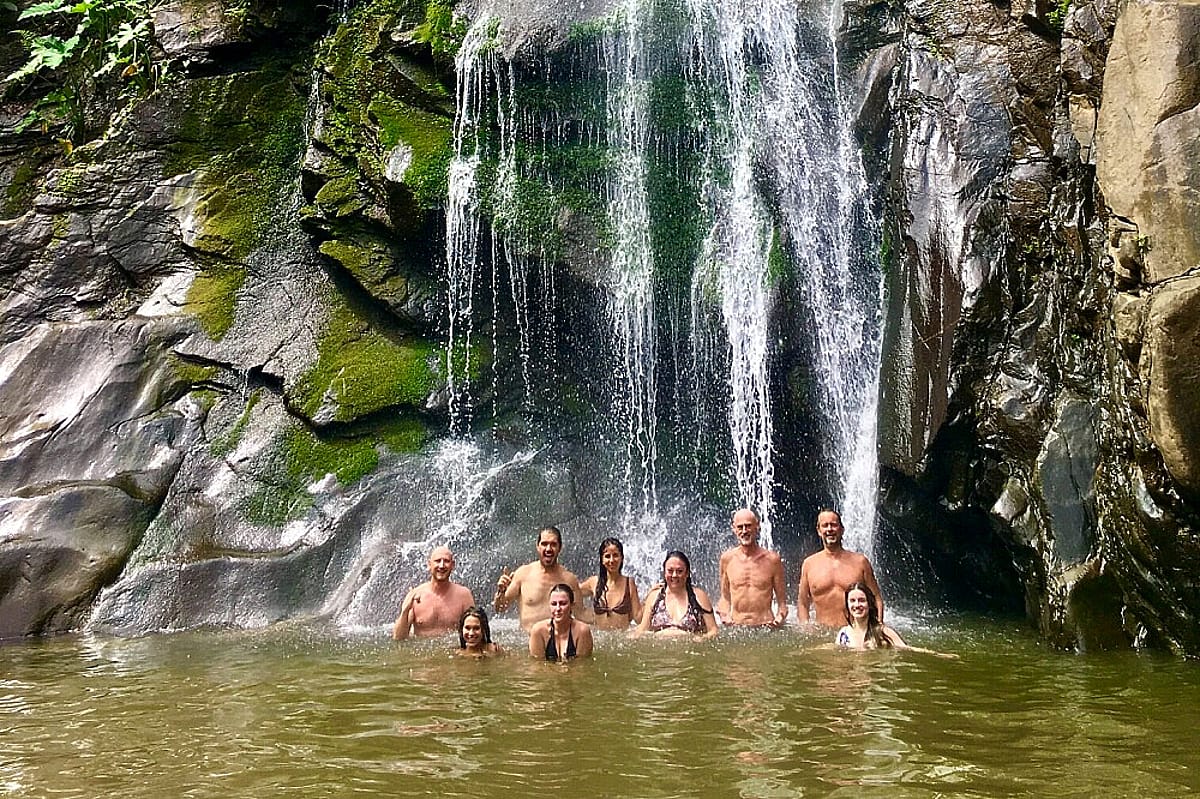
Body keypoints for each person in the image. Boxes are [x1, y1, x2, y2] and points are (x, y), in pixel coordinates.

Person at [797, 509, 884, 627]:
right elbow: (803, 603)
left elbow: (876, 598)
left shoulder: (860, 562)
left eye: (833, 525)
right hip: (823, 632)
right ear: (819, 530)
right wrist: (806, 627)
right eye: (825, 525)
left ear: (841, 529)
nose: (829, 529)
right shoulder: (809, 564)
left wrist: (878, 626)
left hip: (854, 630)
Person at [494, 526, 588, 631]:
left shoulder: (569, 580)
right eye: (544, 544)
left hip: (556, 643)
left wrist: (605, 618)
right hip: (528, 641)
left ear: (560, 548)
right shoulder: (523, 574)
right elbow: (500, 608)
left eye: (553, 544)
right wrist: (501, 592)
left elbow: (581, 615)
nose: (548, 549)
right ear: (537, 547)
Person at [835, 582, 956, 657]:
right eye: (852, 601)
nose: (857, 605)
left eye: (862, 600)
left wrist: (938, 655)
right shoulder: (843, 634)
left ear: (870, 604)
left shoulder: (883, 632)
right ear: (847, 605)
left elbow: (907, 649)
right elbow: (836, 652)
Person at [717, 508, 788, 627]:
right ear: (734, 529)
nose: (744, 531)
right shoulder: (727, 559)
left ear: (757, 526)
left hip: (766, 626)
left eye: (748, 526)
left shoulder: (772, 560)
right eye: (740, 527)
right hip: (737, 627)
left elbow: (782, 604)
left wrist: (779, 618)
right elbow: (724, 599)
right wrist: (724, 615)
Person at [393, 545, 476, 640]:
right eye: (437, 561)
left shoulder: (464, 595)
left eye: (446, 561)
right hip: (422, 653)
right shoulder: (416, 595)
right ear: (429, 564)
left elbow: (475, 631)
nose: (441, 565)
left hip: (453, 651)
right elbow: (398, 638)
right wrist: (405, 610)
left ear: (453, 565)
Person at [634, 550, 718, 639]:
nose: (674, 575)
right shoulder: (654, 596)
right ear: (664, 572)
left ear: (687, 573)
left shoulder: (699, 596)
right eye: (670, 571)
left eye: (680, 571)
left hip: (691, 650)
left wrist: (702, 638)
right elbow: (642, 629)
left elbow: (713, 630)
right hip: (659, 649)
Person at [579, 537, 643, 631]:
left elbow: (638, 617)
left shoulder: (629, 583)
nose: (612, 560)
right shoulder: (593, 582)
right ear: (602, 559)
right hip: (600, 641)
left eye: (616, 555)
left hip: (622, 642)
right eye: (607, 556)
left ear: (622, 558)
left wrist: (651, 599)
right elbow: (571, 593)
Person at [528, 583, 594, 662]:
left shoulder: (582, 631)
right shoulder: (538, 631)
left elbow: (581, 667)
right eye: (554, 604)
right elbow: (538, 666)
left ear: (572, 605)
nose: (558, 608)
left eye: (563, 603)